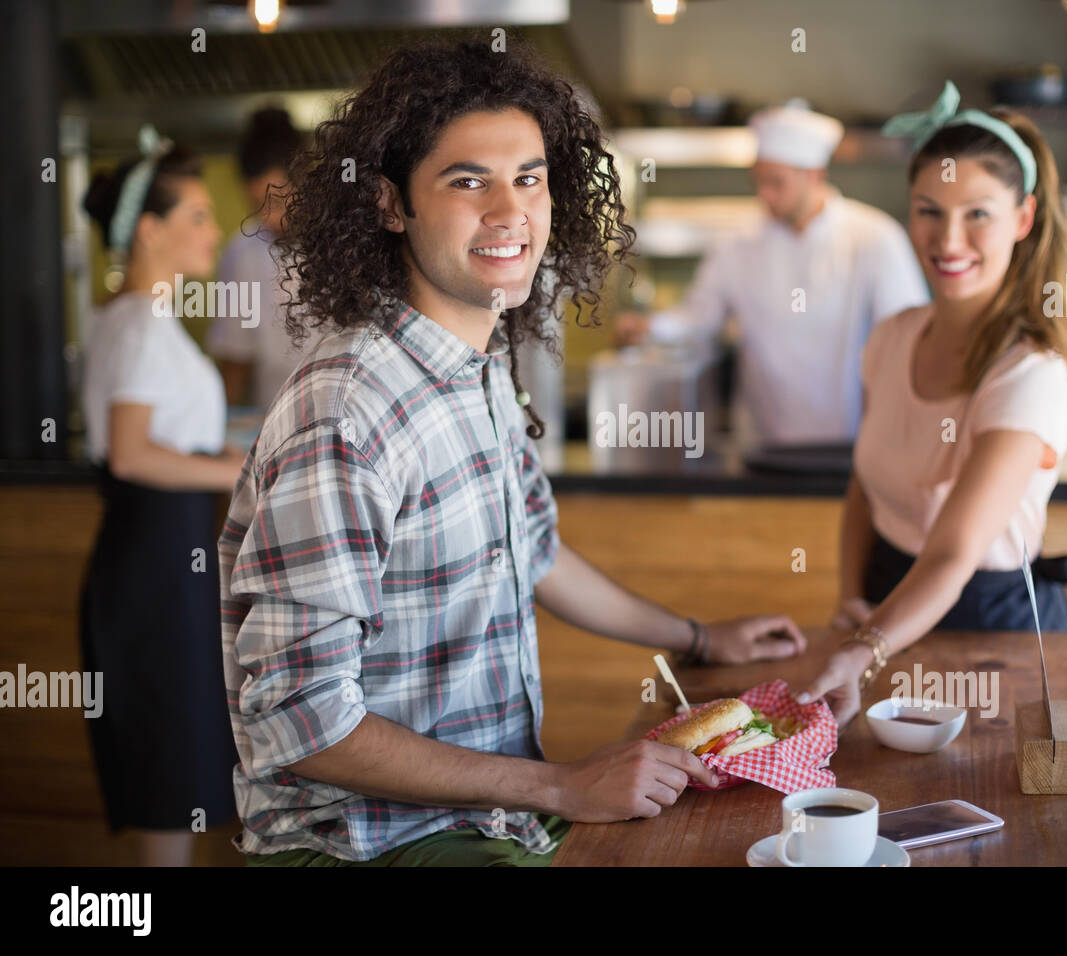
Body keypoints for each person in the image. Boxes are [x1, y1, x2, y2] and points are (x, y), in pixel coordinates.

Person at [218, 39, 807, 868]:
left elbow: (536, 554)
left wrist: (700, 638)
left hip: (494, 819)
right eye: (468, 181)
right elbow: (304, 722)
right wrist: (563, 785)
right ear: (391, 205)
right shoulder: (347, 414)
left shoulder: (481, 364)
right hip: (367, 846)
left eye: (529, 178)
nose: (512, 211)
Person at [797, 82, 1067, 727]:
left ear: (1023, 219)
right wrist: (852, 599)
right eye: (929, 210)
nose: (948, 239)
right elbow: (863, 488)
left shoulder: (1028, 374)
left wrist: (865, 645)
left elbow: (954, 553)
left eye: (977, 213)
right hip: (888, 611)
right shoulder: (893, 338)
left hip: (989, 627)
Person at [79, 133, 245, 866]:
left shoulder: (135, 320)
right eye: (200, 216)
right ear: (151, 229)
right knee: (169, 773)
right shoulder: (141, 325)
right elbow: (131, 451)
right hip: (152, 573)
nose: (214, 232)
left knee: (179, 771)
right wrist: (236, 473)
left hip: (162, 567)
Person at [618, 101, 929, 446]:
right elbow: (701, 316)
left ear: (814, 175)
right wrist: (653, 327)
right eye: (759, 182)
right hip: (762, 441)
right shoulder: (736, 244)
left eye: (777, 183)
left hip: (851, 442)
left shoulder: (875, 239)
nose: (764, 195)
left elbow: (908, 340)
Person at [205, 107, 315, 410]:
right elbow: (235, 360)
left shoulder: (350, 241)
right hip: (273, 421)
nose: (269, 217)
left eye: (278, 201)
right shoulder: (241, 255)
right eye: (257, 204)